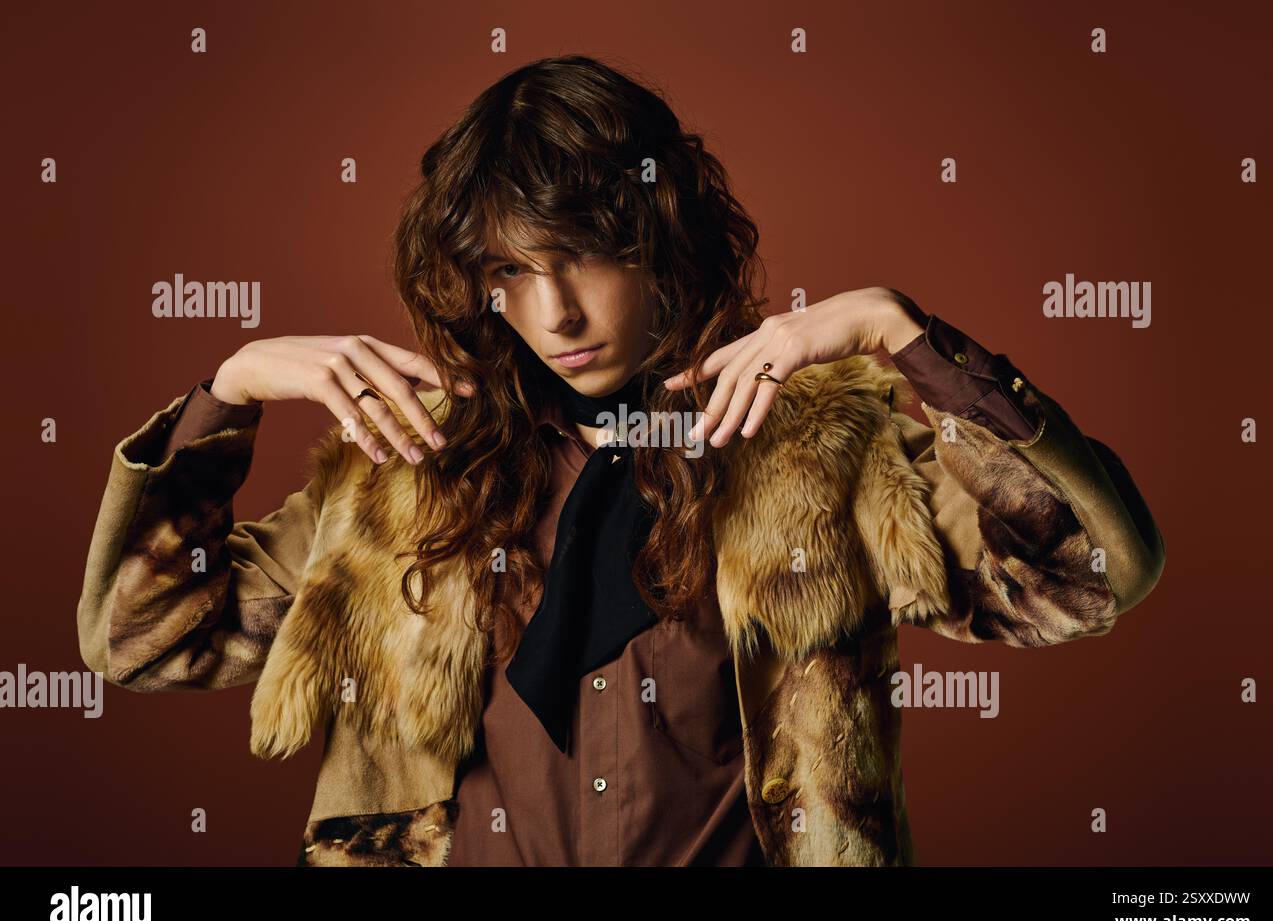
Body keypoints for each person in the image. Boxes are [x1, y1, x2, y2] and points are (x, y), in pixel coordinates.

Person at [77, 54, 1164, 866]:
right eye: (512, 268)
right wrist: (228, 390)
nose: (554, 312)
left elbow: (1091, 575)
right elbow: (137, 636)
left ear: (664, 236)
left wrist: (903, 333)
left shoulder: (821, 449)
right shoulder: (400, 470)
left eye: (587, 254)